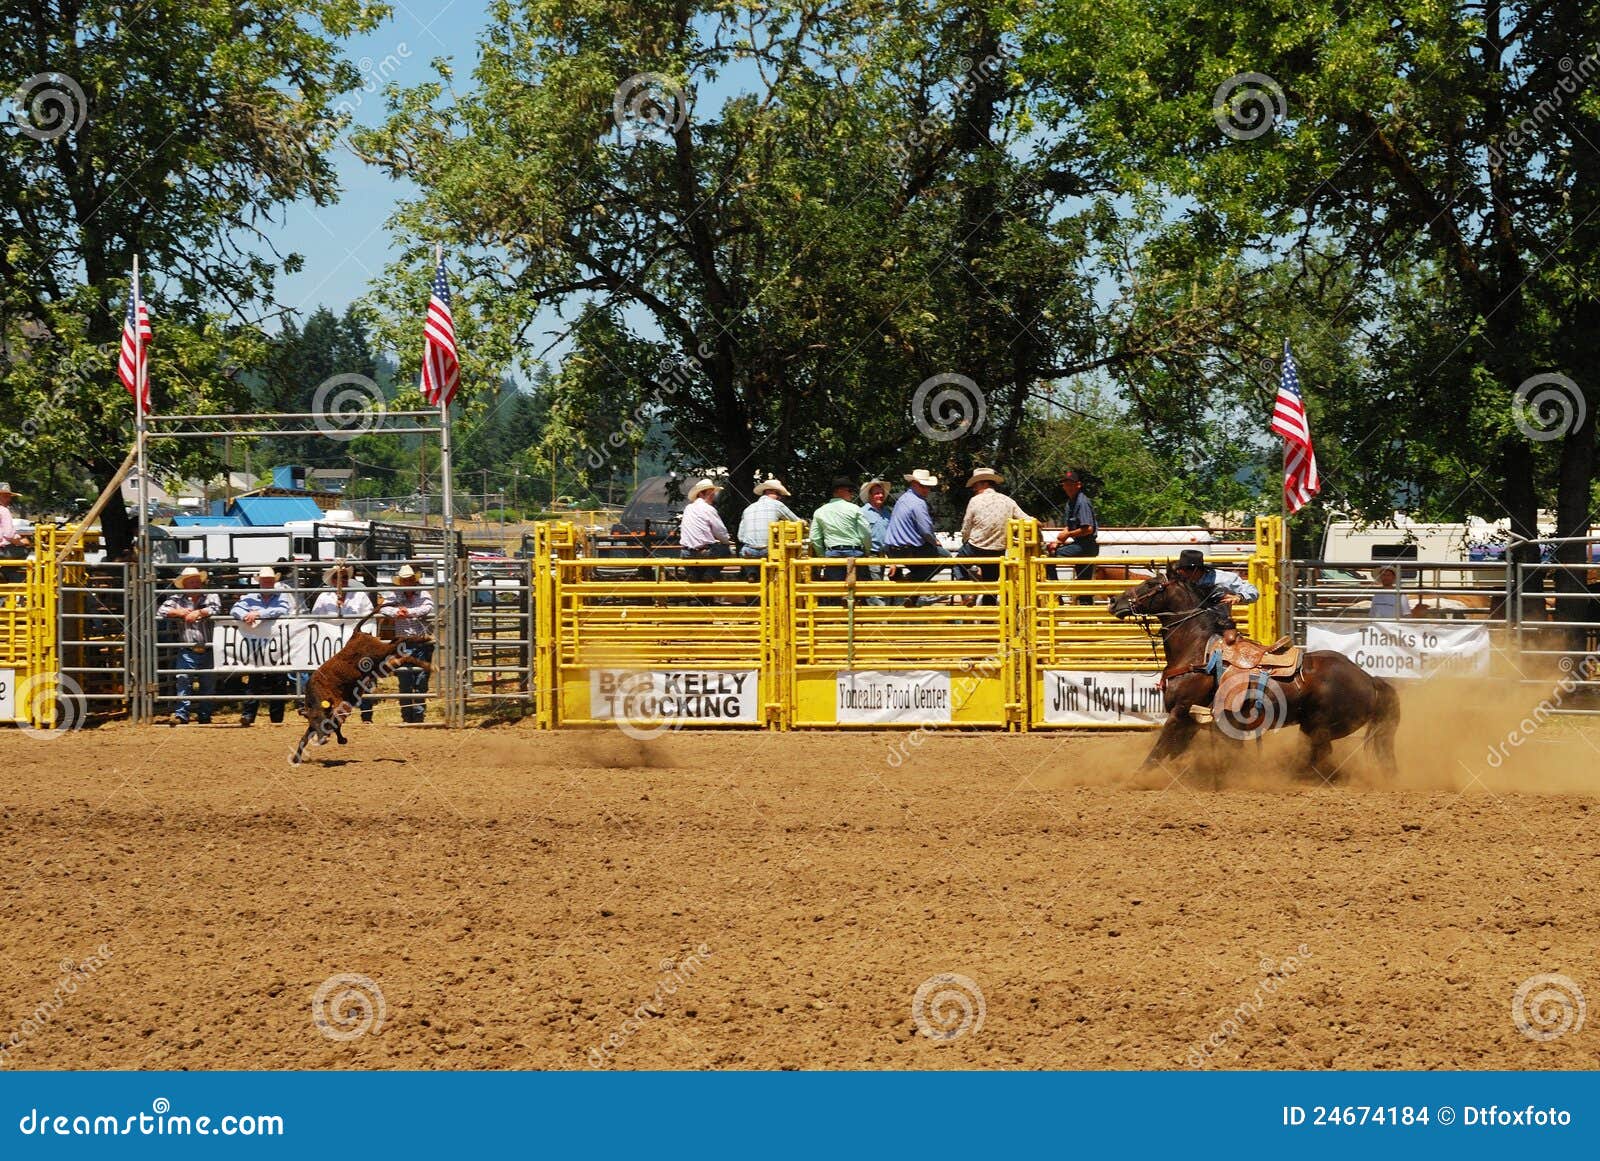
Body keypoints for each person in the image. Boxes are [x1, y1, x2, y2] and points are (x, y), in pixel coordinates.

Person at [230, 565, 299, 726]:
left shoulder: (281, 596)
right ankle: (248, 715)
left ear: (274, 582)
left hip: (278, 644)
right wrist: (245, 615)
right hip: (257, 646)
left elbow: (283, 610)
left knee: (278, 681)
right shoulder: (250, 597)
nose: (267, 583)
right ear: (259, 582)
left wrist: (258, 614)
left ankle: (276, 718)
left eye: (270, 581)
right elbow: (235, 609)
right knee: (254, 680)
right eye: (264, 580)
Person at [313, 562, 376, 722]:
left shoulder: (360, 595)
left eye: (345, 577)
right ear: (332, 580)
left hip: (354, 646)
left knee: (363, 677)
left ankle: (366, 715)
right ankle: (328, 714)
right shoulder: (324, 597)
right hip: (331, 646)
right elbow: (315, 620)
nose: (342, 580)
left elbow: (369, 617)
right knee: (329, 680)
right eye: (338, 577)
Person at [958, 468, 1031, 604]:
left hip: (976, 547)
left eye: (975, 485)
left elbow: (966, 527)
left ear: (984, 483)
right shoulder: (1008, 501)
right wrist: (1037, 523)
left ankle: (967, 594)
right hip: (998, 550)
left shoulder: (974, 501)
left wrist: (965, 541)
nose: (974, 489)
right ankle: (989, 612)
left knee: (958, 564)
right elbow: (1027, 519)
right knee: (991, 584)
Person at [158, 566, 218, 724]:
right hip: (187, 649)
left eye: (197, 581)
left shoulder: (210, 596)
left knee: (208, 683)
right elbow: (162, 610)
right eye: (191, 582)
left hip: (209, 648)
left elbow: (216, 608)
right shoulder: (176, 599)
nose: (196, 584)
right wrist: (178, 613)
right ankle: (181, 714)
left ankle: (204, 715)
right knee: (183, 680)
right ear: (184, 585)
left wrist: (199, 612)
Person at [884, 469, 952, 604]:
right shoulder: (918, 503)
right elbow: (926, 530)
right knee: (946, 557)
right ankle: (910, 581)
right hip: (908, 549)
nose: (927, 490)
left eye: (928, 487)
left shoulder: (903, 499)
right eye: (923, 486)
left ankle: (910, 598)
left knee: (921, 568)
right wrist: (934, 541)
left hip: (892, 549)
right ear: (914, 484)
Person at [378, 564, 435, 723]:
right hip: (403, 643)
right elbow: (383, 608)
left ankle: (418, 715)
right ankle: (407, 716)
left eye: (410, 579)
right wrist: (396, 612)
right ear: (401, 582)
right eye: (404, 580)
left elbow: (428, 608)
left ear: (414, 580)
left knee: (421, 680)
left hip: (421, 642)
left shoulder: (423, 592)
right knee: (405, 680)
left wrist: (408, 612)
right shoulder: (395, 594)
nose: (407, 582)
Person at [1174, 548, 1259, 643]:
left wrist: (1239, 596)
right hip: (1189, 625)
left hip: (1219, 625)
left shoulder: (1223, 579)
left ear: (1195, 570)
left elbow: (1253, 591)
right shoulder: (1180, 581)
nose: (1181, 573)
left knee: (1229, 642)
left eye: (1183, 570)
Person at [809, 475, 873, 585]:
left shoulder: (820, 511)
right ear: (840, 491)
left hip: (832, 554)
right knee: (860, 587)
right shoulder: (854, 509)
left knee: (836, 588)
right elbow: (865, 533)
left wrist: (822, 555)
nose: (852, 494)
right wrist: (867, 551)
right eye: (850, 491)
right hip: (855, 553)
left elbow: (814, 538)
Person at [736, 478, 799, 578]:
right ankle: (776, 579)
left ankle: (752, 573)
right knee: (785, 554)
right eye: (779, 494)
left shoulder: (748, 508)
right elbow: (796, 521)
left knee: (746, 552)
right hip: (768, 550)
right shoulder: (777, 505)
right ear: (774, 492)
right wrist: (804, 523)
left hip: (748, 551)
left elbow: (740, 536)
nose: (780, 497)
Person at [679, 478, 732, 588]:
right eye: (710, 493)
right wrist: (726, 541)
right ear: (701, 494)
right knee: (725, 550)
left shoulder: (688, 508)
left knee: (695, 561)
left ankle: (693, 574)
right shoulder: (708, 509)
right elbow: (720, 532)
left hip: (686, 553)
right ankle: (710, 574)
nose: (713, 495)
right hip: (704, 552)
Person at [1051, 470, 1099, 586]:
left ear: (1078, 485)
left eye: (1071, 484)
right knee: (1083, 582)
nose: (1068, 487)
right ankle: (1084, 597)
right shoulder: (1071, 502)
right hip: (1081, 546)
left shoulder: (1082, 503)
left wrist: (1067, 535)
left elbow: (1088, 529)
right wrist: (1058, 541)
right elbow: (1070, 526)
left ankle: (1054, 589)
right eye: (1066, 484)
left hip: (1085, 546)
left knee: (1049, 557)